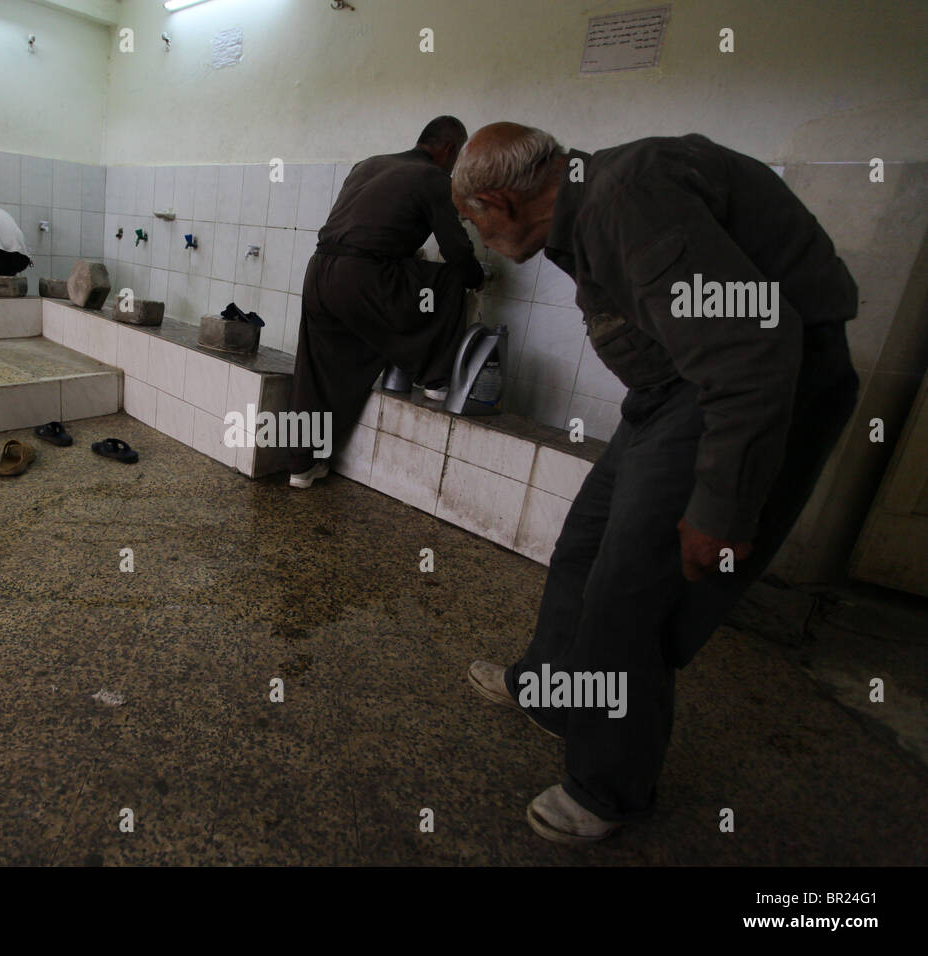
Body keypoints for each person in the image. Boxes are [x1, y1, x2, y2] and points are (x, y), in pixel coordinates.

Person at [451, 123, 860, 844]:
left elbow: (751, 351)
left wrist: (723, 505)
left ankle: (606, 788)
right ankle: (552, 690)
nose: (479, 238)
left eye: (472, 221)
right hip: (676, 394)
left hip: (744, 390)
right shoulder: (595, 204)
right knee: (583, 549)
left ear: (497, 202)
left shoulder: (627, 198)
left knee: (631, 590)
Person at [286, 116, 486, 488]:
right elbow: (456, 249)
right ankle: (435, 379)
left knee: (315, 373)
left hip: (319, 274)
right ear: (449, 150)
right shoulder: (434, 179)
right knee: (450, 279)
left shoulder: (369, 165)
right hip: (363, 277)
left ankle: (301, 466)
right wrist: (477, 279)